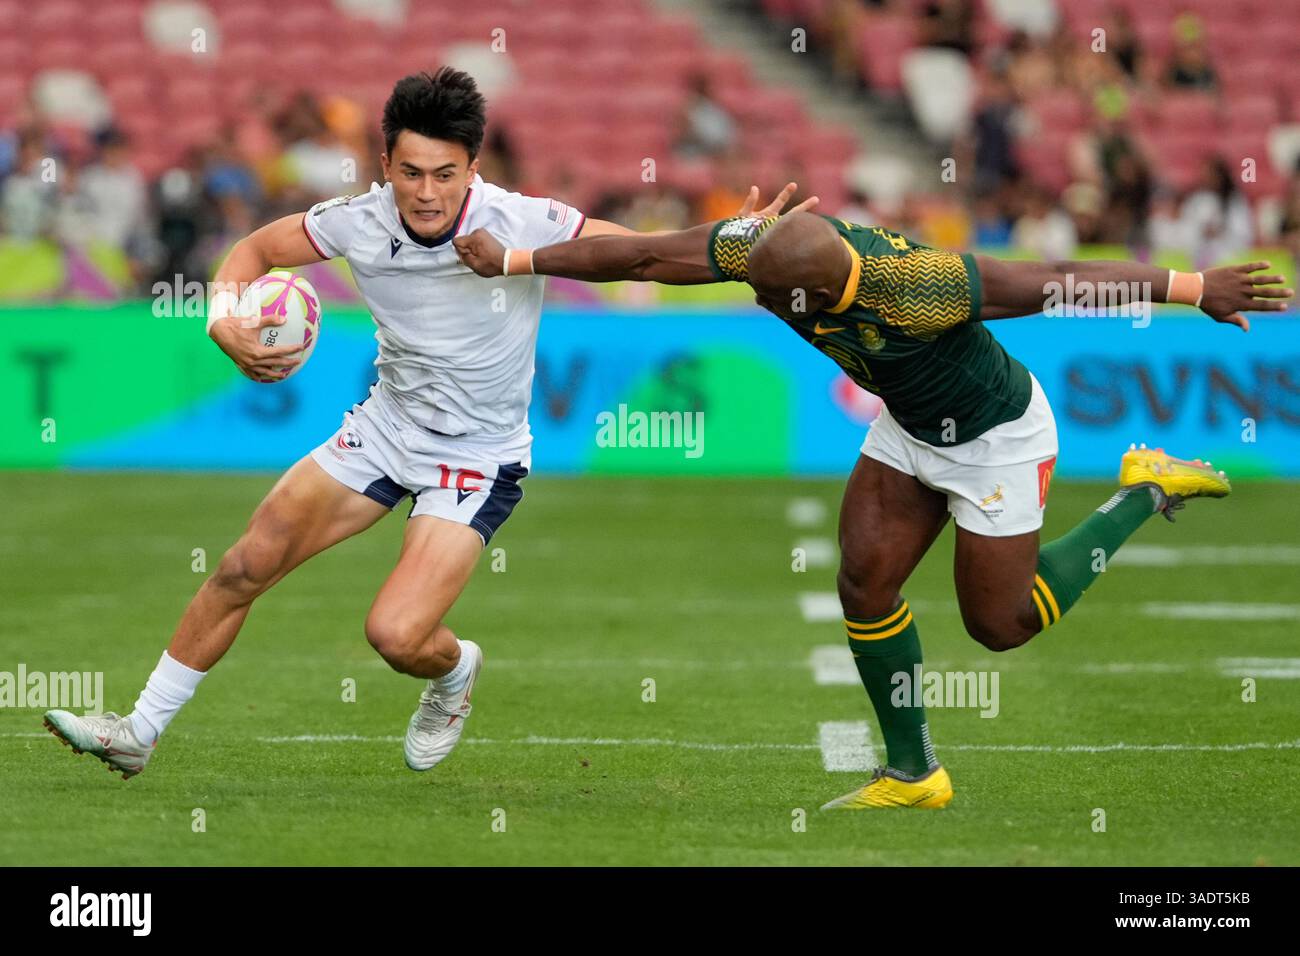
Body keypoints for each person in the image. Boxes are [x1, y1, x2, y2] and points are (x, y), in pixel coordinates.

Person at [41, 67, 810, 780]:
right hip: (383, 430)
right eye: (411, 173)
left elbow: (640, 257)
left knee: (396, 636)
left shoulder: (524, 219)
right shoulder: (356, 222)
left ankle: (453, 673)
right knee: (244, 566)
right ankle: (138, 733)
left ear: (473, 168)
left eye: (446, 174)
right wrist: (221, 316)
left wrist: (728, 249)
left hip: (477, 460)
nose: (428, 193)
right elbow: (252, 249)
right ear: (385, 164)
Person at [452, 208, 1292, 809]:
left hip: (996, 437)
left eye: (781, 303)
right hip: (910, 425)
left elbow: (1056, 284)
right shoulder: (767, 250)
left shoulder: (917, 285)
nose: (766, 306)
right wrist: (518, 263)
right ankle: (913, 771)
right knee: (864, 583)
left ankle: (1144, 488)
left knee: (998, 626)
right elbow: (640, 258)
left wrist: (1194, 285)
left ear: (821, 293)